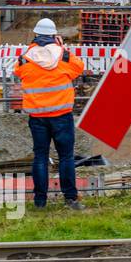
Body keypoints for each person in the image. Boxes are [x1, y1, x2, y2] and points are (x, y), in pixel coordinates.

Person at [14, 18, 85, 210]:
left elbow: (18, 72)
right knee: (66, 157)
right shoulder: (63, 56)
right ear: (55, 36)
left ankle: (40, 201)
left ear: (36, 35)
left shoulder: (26, 58)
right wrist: (62, 47)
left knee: (41, 157)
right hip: (61, 115)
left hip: (37, 117)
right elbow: (80, 67)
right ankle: (70, 199)